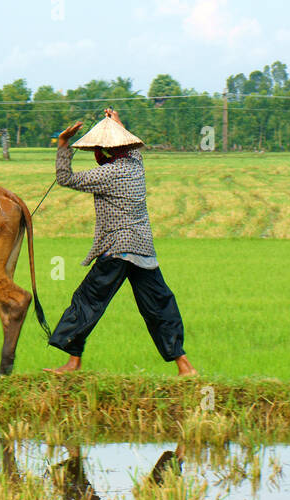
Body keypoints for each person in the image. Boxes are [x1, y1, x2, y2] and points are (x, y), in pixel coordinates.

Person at [44, 108, 197, 377]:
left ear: (104, 150)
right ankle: (185, 366)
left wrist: (63, 144)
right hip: (143, 251)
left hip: (116, 250)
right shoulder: (137, 166)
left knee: (87, 300)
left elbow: (65, 178)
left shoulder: (107, 175)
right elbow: (128, 149)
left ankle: (73, 363)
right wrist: (116, 121)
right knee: (160, 305)